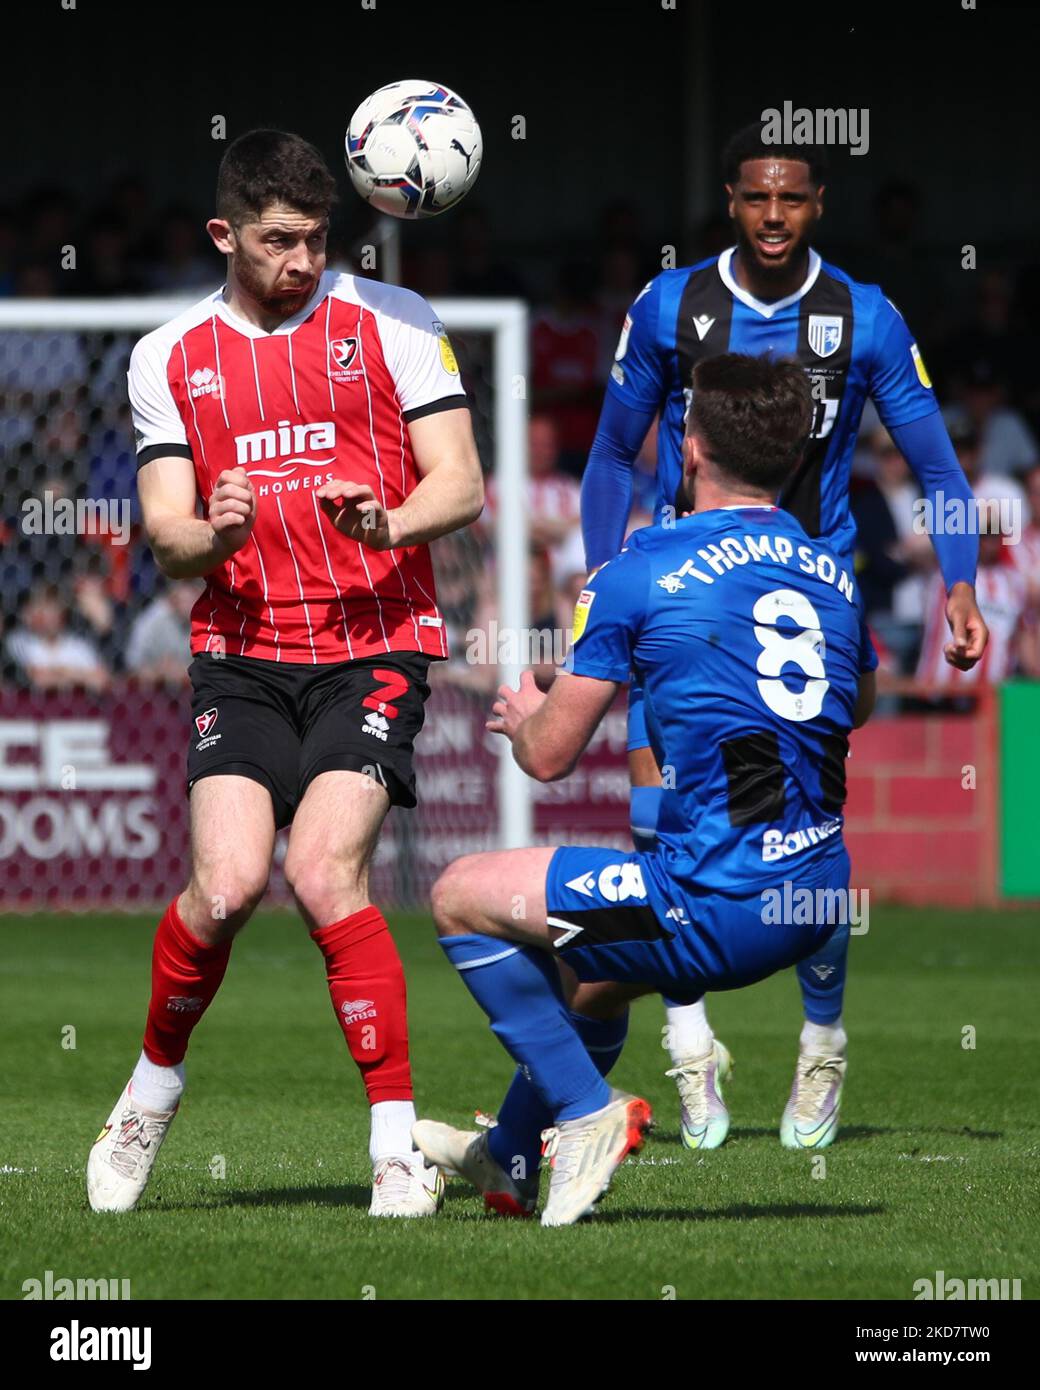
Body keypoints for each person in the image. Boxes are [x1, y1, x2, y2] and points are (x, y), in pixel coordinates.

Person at [86, 129, 484, 1219]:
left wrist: (390, 517)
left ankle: (395, 1148)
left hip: (374, 644)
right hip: (242, 652)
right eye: (277, 241)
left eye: (317, 239)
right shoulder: (168, 355)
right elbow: (166, 537)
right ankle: (151, 1089)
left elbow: (462, 485)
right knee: (223, 888)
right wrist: (211, 536)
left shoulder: (394, 325)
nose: (303, 260)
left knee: (321, 873)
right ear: (225, 234)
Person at [578, 120, 988, 1151]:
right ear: (729, 199)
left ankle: (819, 1044)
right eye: (755, 199)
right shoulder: (671, 305)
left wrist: (958, 585)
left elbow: (937, 470)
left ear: (817, 206)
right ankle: (686, 1044)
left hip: (811, 598)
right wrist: (597, 578)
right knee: (660, 811)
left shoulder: (863, 317)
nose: (772, 218)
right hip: (687, 590)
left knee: (809, 831)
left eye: (791, 200)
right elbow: (609, 454)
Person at [412, 356, 876, 1226]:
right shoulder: (834, 574)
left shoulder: (642, 565)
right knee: (593, 981)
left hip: (714, 904)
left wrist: (521, 716)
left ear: (687, 449)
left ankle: (589, 1113)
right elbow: (858, 701)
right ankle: (507, 1158)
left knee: (457, 896)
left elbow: (551, 758)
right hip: (818, 896)